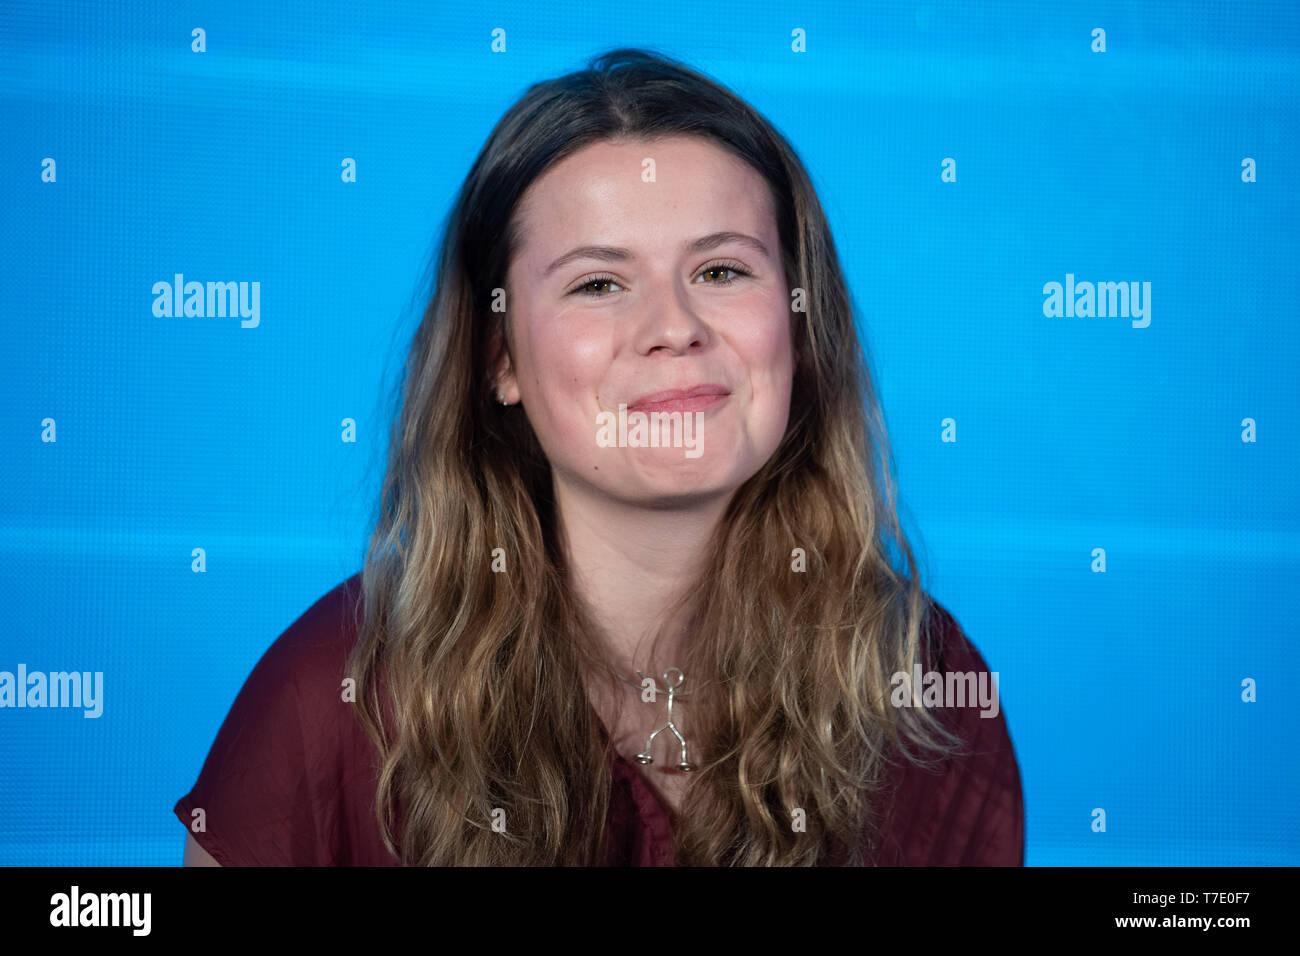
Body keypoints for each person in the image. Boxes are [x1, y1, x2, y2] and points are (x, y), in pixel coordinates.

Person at [175, 47, 1023, 866]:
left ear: (799, 328)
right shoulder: (331, 703)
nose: (674, 328)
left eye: (723, 271)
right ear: (498, 358)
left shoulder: (921, 685)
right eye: (598, 284)